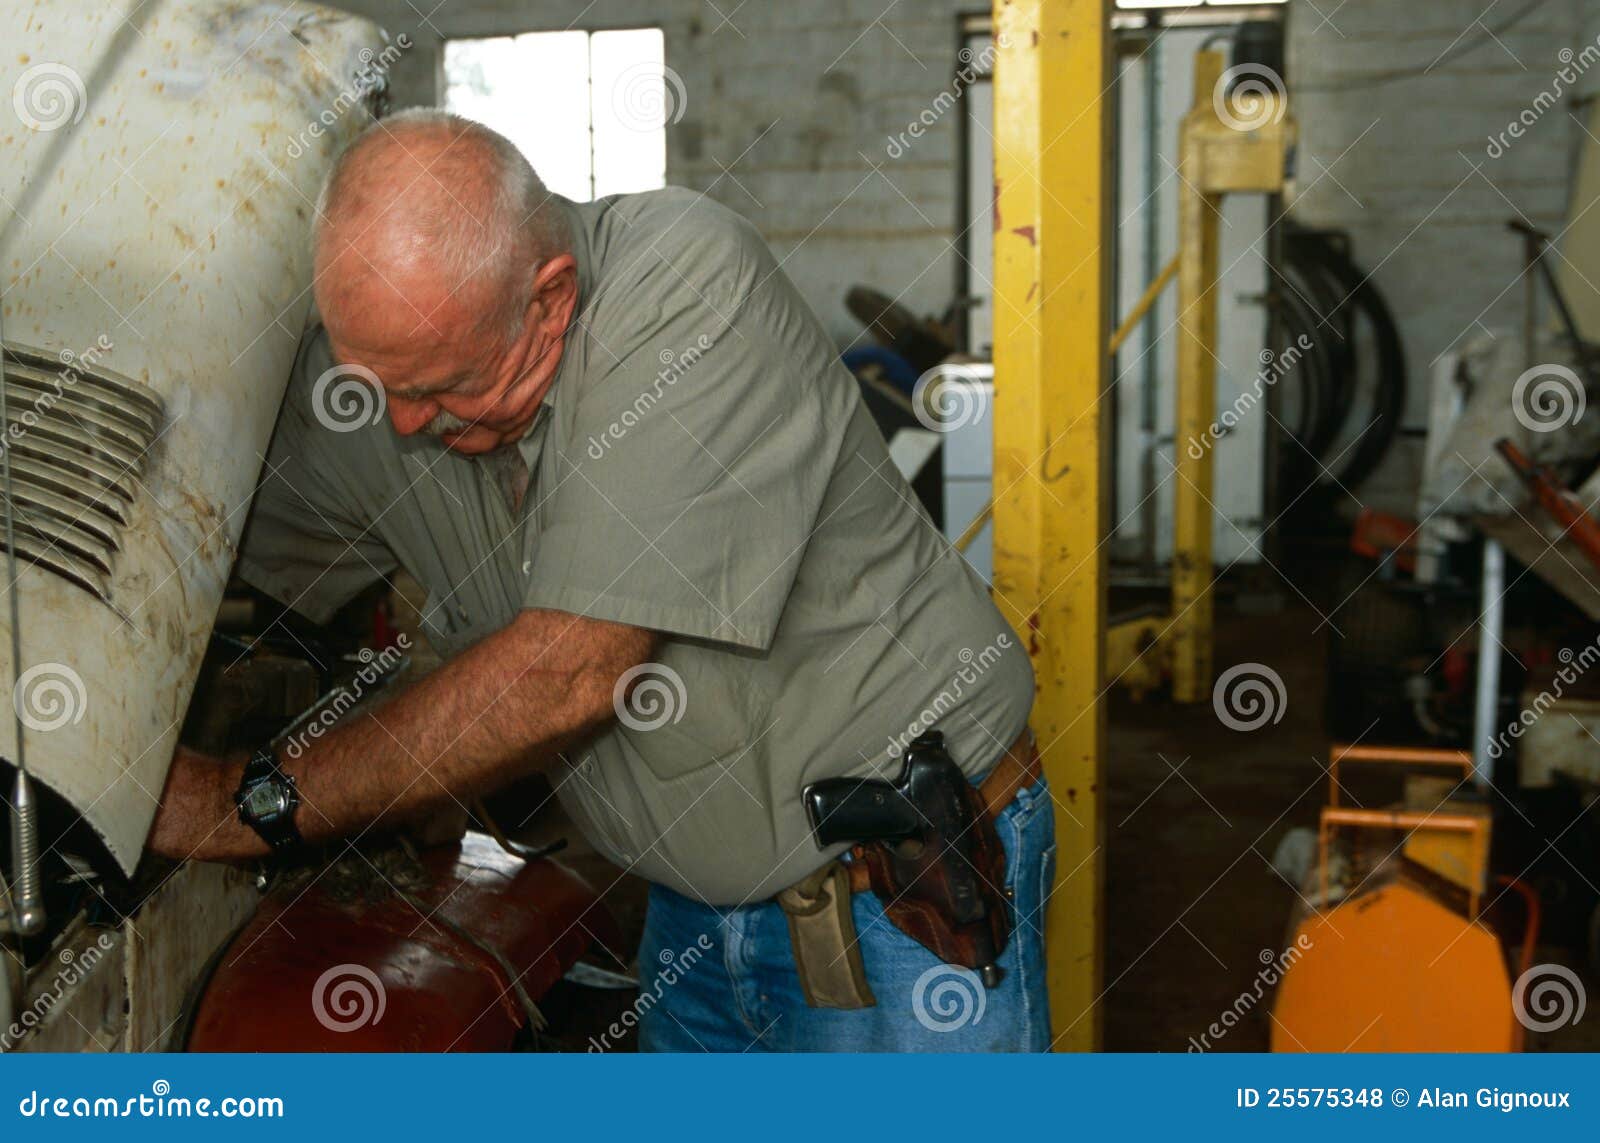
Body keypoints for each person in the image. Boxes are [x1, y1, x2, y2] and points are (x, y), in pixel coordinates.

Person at [149, 110, 1051, 1051]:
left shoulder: (689, 289)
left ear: (551, 298)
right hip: (691, 912)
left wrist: (242, 803)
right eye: (379, 387)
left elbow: (571, 668)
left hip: (897, 899)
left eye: (443, 386)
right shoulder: (399, 392)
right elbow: (200, 542)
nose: (407, 425)